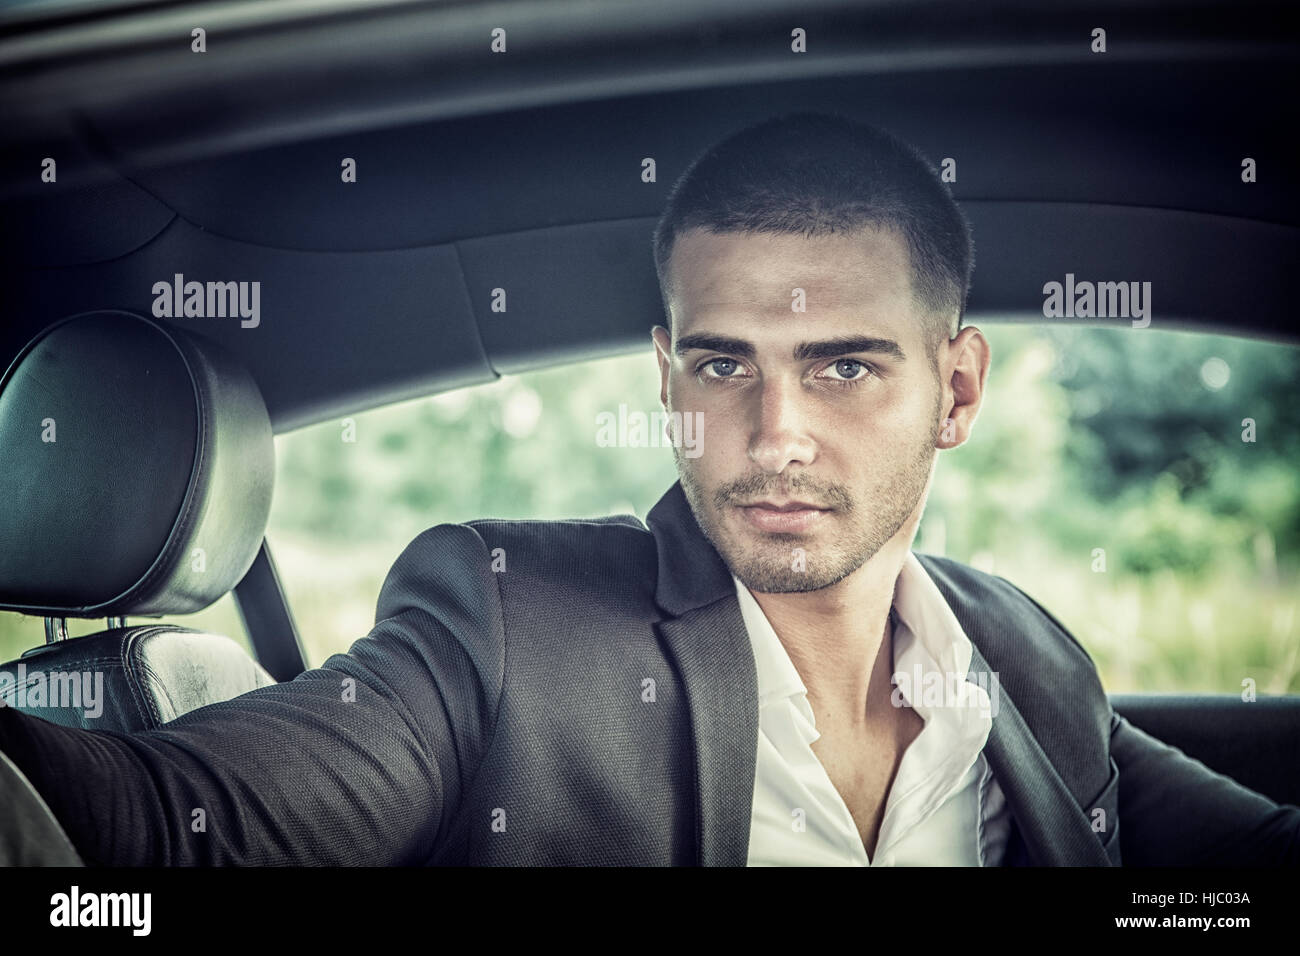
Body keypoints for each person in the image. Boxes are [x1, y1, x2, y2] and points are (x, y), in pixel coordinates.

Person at [1, 111, 1296, 866]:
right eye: (726, 364)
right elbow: (172, 824)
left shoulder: (1021, 653)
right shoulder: (504, 625)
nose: (775, 434)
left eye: (845, 367)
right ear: (669, 375)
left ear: (958, 392)